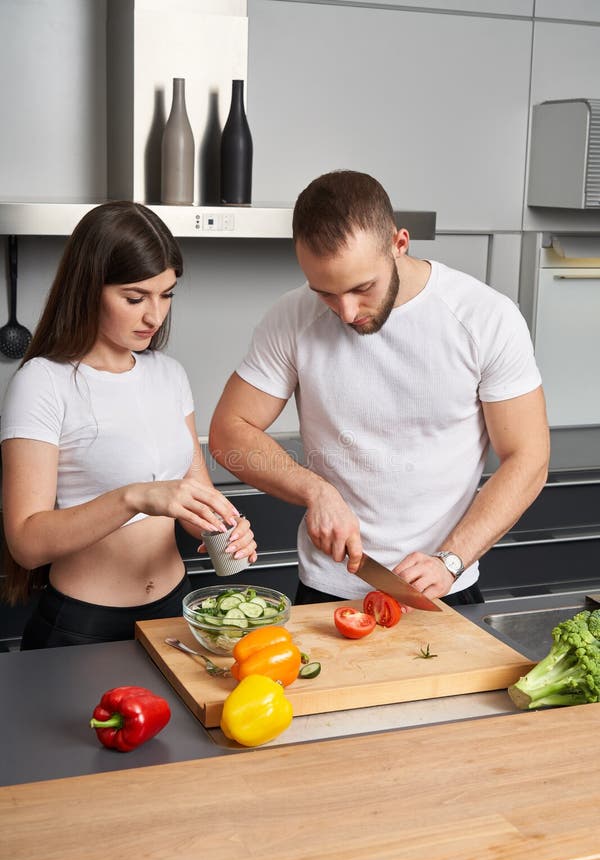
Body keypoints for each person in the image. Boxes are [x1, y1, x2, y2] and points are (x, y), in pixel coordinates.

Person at [209, 170, 550, 607]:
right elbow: (228, 431)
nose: (347, 312)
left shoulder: (485, 318)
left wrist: (450, 560)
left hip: (444, 585)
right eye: (326, 294)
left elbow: (529, 458)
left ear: (399, 243)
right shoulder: (292, 317)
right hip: (327, 589)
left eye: (361, 288)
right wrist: (315, 490)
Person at [1, 201, 257, 649]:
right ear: (88, 288)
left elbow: (196, 498)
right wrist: (134, 497)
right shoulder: (42, 381)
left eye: (167, 294)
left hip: (178, 613)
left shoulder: (169, 374)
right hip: (84, 628)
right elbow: (25, 540)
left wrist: (229, 527)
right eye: (135, 298)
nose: (154, 316)